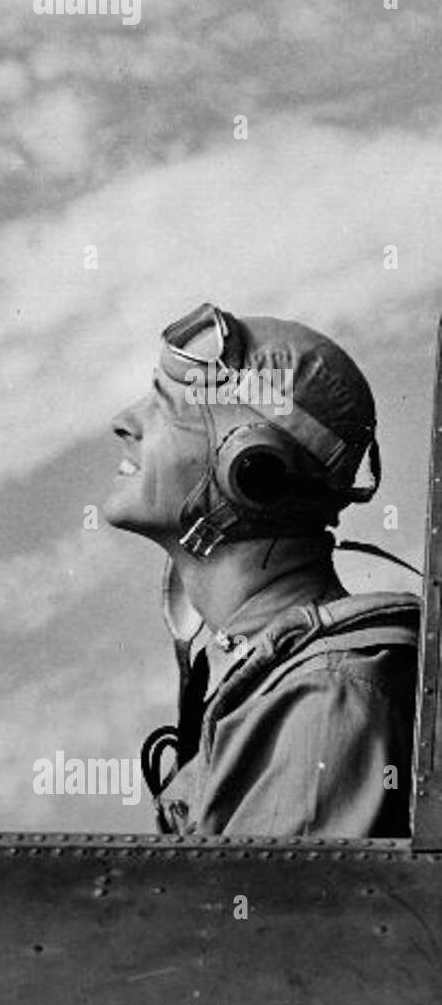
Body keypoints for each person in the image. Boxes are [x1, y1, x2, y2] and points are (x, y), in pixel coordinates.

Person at [102, 302, 419, 838]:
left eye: (164, 406)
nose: (124, 423)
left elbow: (270, 919)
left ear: (251, 471)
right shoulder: (277, 690)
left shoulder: (326, 702)